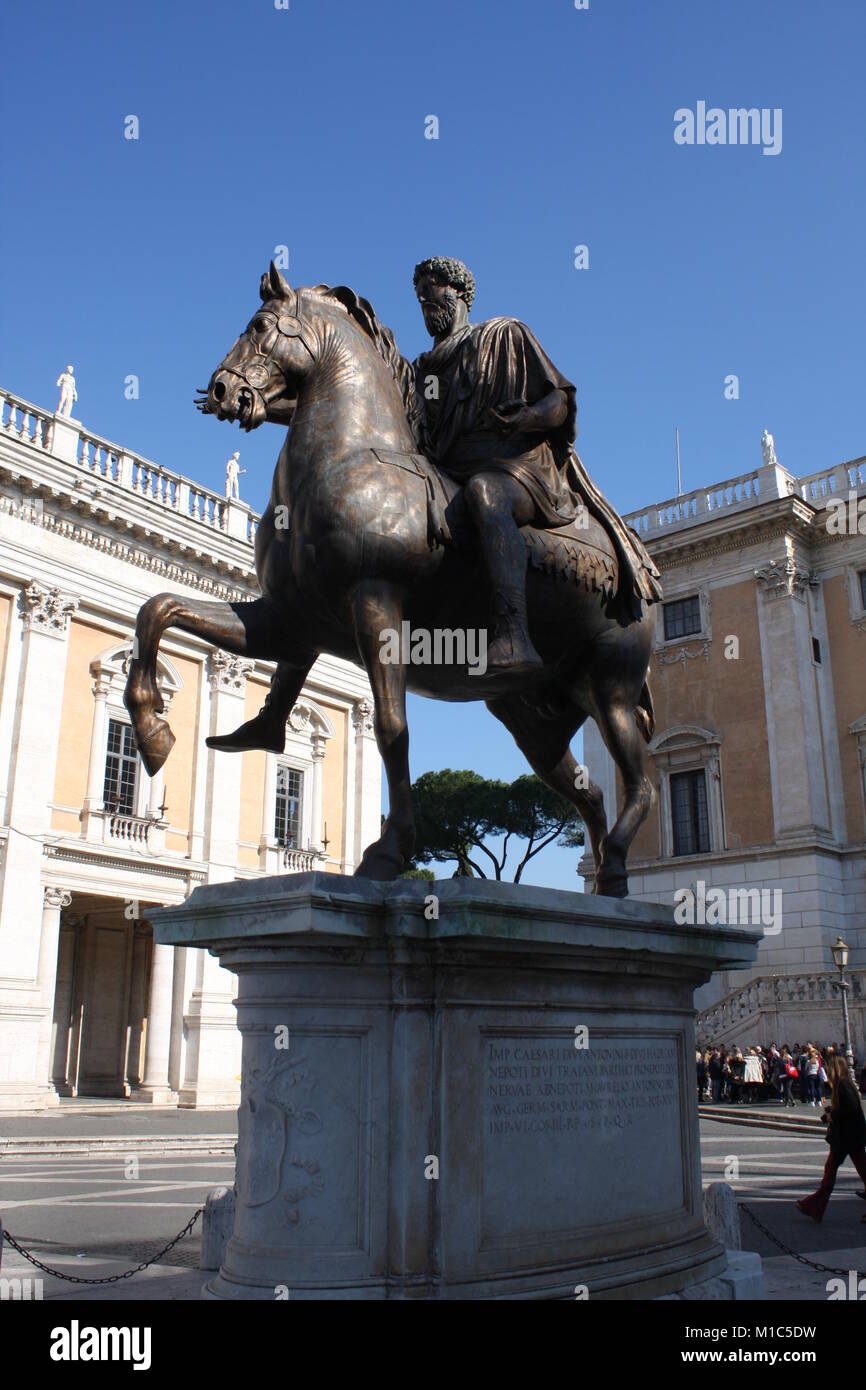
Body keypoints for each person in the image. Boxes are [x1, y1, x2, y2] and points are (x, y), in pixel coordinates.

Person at [796, 1055, 866, 1223]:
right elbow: (848, 1107)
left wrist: (832, 1115)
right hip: (848, 1138)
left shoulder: (843, 1085)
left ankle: (813, 1206)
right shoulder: (844, 1084)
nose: (826, 1069)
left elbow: (852, 1110)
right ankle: (814, 1206)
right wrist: (832, 1109)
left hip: (848, 1138)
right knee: (835, 1171)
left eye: (828, 1066)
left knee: (835, 1172)